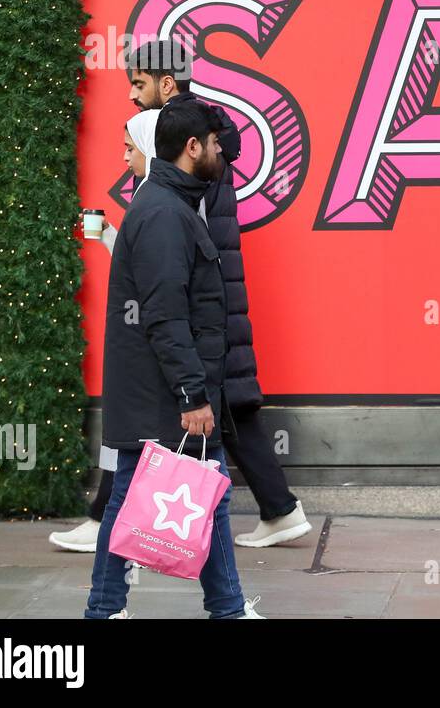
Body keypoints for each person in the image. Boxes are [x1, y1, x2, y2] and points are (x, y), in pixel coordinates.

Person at [125, 39, 310, 548]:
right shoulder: (207, 140)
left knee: (201, 401)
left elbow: (179, 233)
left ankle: (114, 517)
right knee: (230, 403)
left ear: (167, 83)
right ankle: (278, 508)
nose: (133, 98)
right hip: (216, 291)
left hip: (203, 295)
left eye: (139, 85)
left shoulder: (182, 146)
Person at [84, 100, 262, 618]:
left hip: (158, 391)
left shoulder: (167, 203)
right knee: (201, 495)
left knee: (196, 495)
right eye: (212, 144)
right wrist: (192, 393)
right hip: (166, 394)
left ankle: (115, 608)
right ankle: (214, 610)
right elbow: (165, 316)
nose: (219, 153)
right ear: (191, 148)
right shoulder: (163, 212)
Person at [50, 110, 162, 552]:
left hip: (146, 336)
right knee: (129, 434)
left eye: (130, 148)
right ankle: (110, 520)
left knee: (128, 433)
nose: (123, 155)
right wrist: (110, 234)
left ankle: (106, 522)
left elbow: (151, 271)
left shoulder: (156, 198)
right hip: (144, 334)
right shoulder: (153, 195)